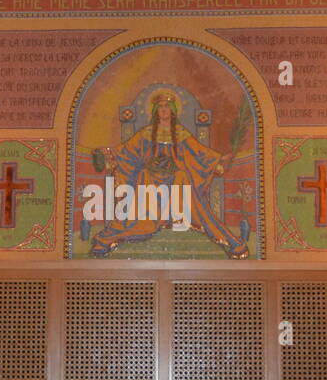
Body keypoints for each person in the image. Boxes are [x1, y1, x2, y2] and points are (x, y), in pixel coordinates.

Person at [88, 91, 249, 258]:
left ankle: (179, 217)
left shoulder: (181, 133)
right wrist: (108, 154)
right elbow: (126, 151)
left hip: (174, 177)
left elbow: (200, 152)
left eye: (167, 107)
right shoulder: (146, 133)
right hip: (151, 177)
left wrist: (218, 160)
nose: (164, 110)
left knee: (182, 176)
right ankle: (146, 220)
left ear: (173, 110)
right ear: (156, 110)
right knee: (144, 174)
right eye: (161, 107)